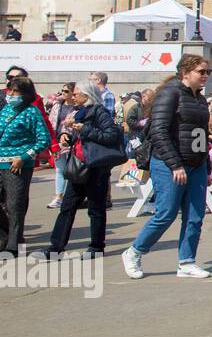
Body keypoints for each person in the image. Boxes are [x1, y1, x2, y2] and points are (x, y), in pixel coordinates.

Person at [122, 58, 212, 278]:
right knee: (166, 213)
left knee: (195, 215)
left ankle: (186, 261)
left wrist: (206, 165)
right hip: (168, 163)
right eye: (201, 71)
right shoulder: (170, 94)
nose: (205, 75)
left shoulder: (200, 98)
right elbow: (159, 132)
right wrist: (175, 164)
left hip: (196, 163)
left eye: (208, 72)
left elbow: (201, 133)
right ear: (185, 72)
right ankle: (134, 252)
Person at [37, 81, 124, 259]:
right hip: (78, 166)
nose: (73, 96)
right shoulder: (79, 112)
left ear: (87, 95)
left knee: (96, 208)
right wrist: (67, 136)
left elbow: (111, 135)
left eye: (76, 93)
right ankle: (56, 247)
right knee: (67, 207)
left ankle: (96, 247)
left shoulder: (100, 112)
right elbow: (79, 137)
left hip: (95, 168)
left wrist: (85, 129)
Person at [0, 75, 53, 256]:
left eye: (16, 92)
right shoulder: (5, 109)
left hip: (18, 165)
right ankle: (7, 235)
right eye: (10, 91)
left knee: (15, 205)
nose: (12, 95)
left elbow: (43, 139)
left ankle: (14, 245)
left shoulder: (32, 112)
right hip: (0, 161)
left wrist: (24, 156)